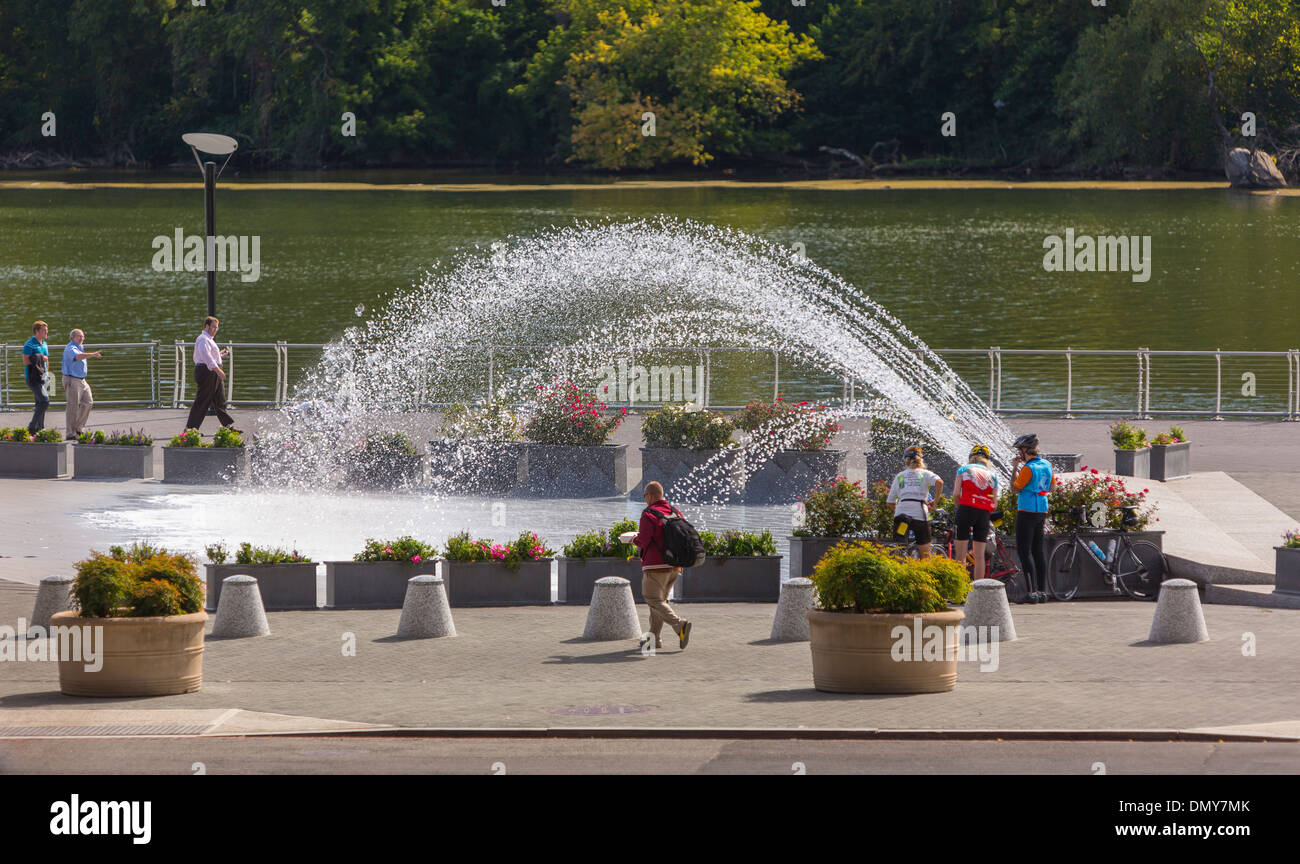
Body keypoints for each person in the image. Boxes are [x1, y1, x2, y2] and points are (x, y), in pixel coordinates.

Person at [633, 480, 692, 651]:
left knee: (652, 599)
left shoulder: (649, 514)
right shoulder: (675, 512)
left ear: (650, 495)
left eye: (645, 496)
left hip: (656, 567)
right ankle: (653, 640)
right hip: (675, 566)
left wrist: (632, 539)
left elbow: (643, 540)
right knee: (658, 603)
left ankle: (680, 625)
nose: (645, 500)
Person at [1010, 432, 1053, 603]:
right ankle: (1042, 591)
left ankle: (1031, 592)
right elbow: (1052, 487)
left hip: (1026, 510)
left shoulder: (1027, 468)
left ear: (1026, 450)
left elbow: (1014, 489)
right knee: (1037, 551)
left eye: (1020, 450)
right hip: (1041, 509)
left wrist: (1014, 468)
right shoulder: (1047, 465)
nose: (1019, 454)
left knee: (1024, 551)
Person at [886, 445, 943, 558]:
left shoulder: (900, 476)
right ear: (921, 460)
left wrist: (900, 510)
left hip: (902, 516)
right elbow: (939, 482)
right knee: (925, 552)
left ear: (906, 460)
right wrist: (935, 502)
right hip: (919, 514)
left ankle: (899, 561)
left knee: (900, 546)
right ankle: (923, 568)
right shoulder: (925, 473)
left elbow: (889, 502)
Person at [953, 444, 1000, 580]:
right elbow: (994, 503)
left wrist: (958, 507)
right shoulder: (993, 476)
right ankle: (978, 591)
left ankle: (960, 591)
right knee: (979, 557)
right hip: (983, 513)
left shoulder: (963, 470)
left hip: (966, 509)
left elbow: (956, 494)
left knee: (961, 555)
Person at [185, 316, 238, 434]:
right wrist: (218, 370)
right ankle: (190, 429)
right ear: (207, 326)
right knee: (202, 400)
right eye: (213, 327)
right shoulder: (203, 339)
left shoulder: (208, 339)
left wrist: (219, 355)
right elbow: (205, 356)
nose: (215, 329)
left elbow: (208, 355)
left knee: (219, 400)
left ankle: (227, 426)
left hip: (210, 371)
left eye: (217, 327)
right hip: (207, 372)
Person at [61, 329, 102, 438]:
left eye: (83, 336)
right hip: (72, 379)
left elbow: (81, 355)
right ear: (73, 337)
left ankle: (78, 428)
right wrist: (93, 354)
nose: (82, 338)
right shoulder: (70, 348)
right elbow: (78, 357)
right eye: (79, 336)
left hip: (82, 380)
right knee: (72, 407)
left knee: (88, 402)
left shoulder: (80, 347)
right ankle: (70, 433)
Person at [22, 321, 50, 434]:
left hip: (43, 377)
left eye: (47, 330)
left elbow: (47, 360)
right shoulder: (29, 344)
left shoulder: (44, 344)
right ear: (36, 331)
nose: (46, 332)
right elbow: (25, 361)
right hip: (32, 377)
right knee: (44, 401)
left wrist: (48, 374)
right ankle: (32, 426)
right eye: (44, 330)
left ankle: (40, 428)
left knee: (40, 403)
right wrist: (40, 357)